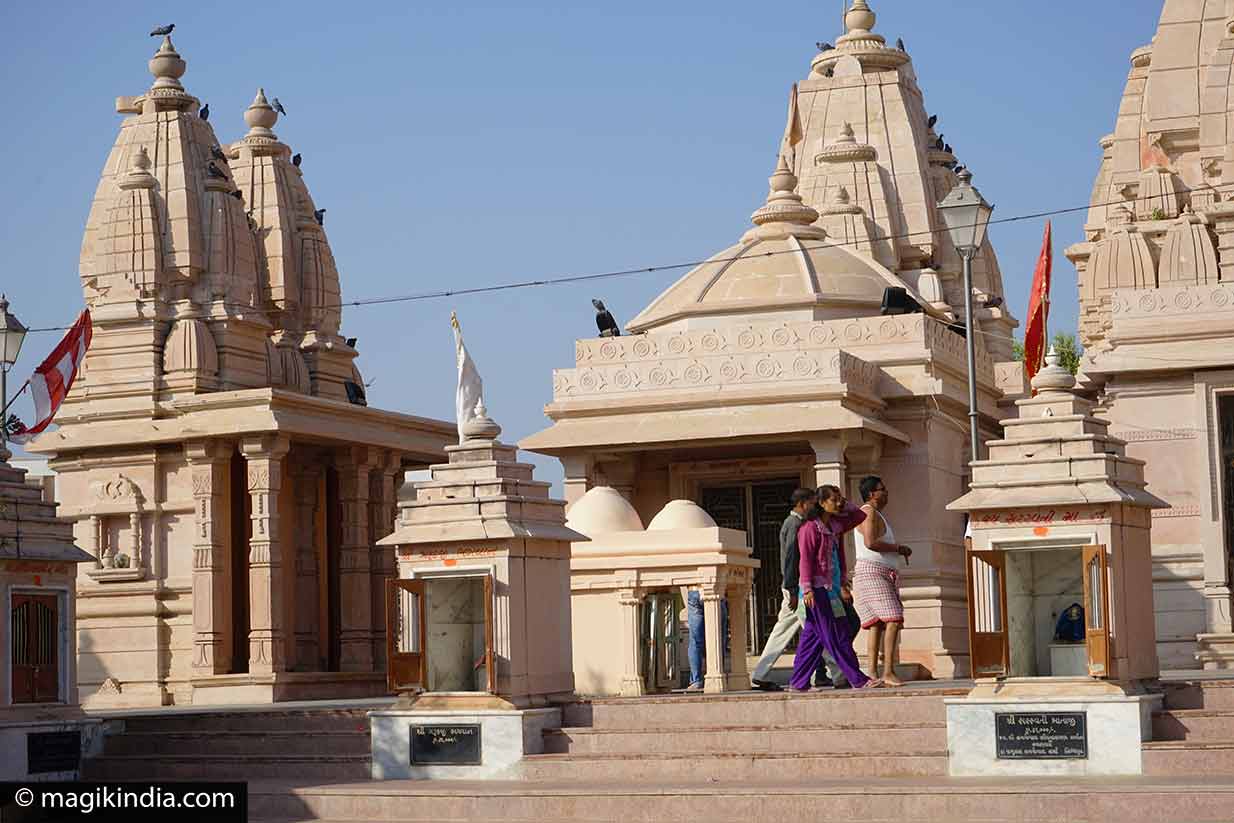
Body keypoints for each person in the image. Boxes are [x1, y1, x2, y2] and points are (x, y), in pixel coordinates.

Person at [750, 489, 843, 691]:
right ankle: (839, 672)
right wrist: (792, 589)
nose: (815, 506)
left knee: (783, 631)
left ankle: (760, 673)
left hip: (797, 588)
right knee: (819, 629)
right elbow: (792, 559)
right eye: (812, 502)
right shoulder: (795, 524)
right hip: (799, 589)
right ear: (802, 504)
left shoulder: (798, 523)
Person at [789, 485, 878, 692]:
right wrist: (808, 589)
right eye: (834, 500)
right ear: (821, 503)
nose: (839, 503)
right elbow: (805, 561)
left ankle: (798, 682)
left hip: (830, 590)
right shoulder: (810, 528)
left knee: (812, 639)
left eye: (840, 500)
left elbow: (858, 516)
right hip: (816, 591)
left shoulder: (834, 526)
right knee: (836, 634)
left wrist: (845, 502)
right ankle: (858, 679)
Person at [853, 476, 912, 687]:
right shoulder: (869, 512)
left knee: (877, 623)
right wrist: (899, 548)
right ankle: (887, 670)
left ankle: (872, 672)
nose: (886, 493)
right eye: (882, 489)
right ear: (872, 494)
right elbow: (870, 542)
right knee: (893, 619)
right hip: (873, 572)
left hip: (877, 572)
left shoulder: (874, 514)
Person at [684, 586, 728, 691]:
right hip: (715, 590)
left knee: (695, 640)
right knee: (718, 637)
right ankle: (717, 674)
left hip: (694, 591)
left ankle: (696, 680)